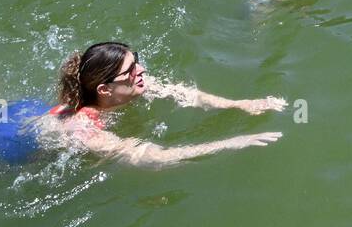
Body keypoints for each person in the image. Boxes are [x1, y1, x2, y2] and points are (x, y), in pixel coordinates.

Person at [42, 42, 284, 166]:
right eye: (130, 71)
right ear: (104, 90)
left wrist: (240, 104)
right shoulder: (83, 128)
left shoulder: (134, 84)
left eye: (136, 61)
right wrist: (231, 142)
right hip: (17, 144)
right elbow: (157, 159)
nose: (142, 70)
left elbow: (187, 95)